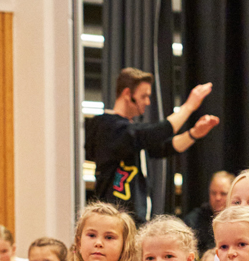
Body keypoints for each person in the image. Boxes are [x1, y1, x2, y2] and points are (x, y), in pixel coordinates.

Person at [85, 67, 220, 223]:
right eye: (144, 96)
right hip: (113, 219)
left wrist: (194, 133)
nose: (147, 102)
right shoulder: (107, 126)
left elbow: (165, 147)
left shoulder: (130, 135)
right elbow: (158, 132)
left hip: (133, 220)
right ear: (127, 94)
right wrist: (188, 107)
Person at [185, 171, 235, 255]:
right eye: (213, 193)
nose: (217, 198)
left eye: (223, 194)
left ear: (233, 195)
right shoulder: (193, 220)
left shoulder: (241, 220)